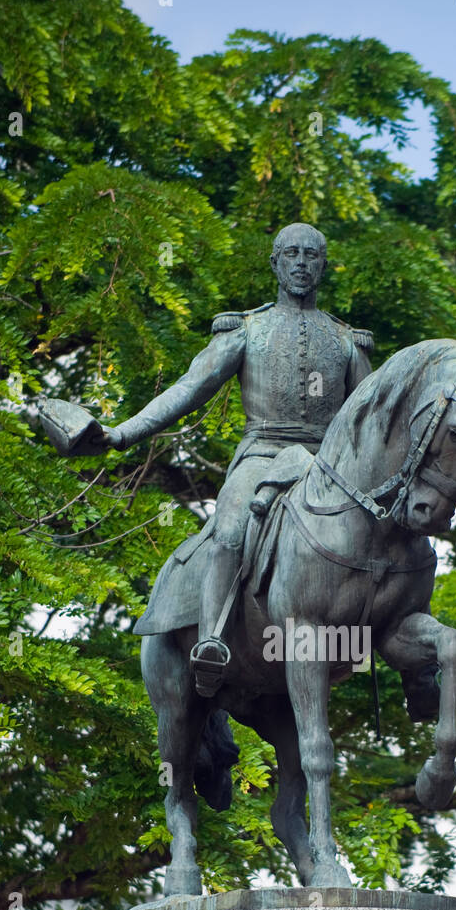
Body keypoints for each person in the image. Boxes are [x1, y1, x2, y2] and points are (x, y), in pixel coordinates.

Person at [101, 223, 373, 694]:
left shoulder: (346, 340)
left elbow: (371, 416)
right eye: (291, 254)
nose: (301, 263)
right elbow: (188, 389)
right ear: (275, 263)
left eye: (311, 255)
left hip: (327, 464)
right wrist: (121, 433)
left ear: (324, 266)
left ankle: (414, 664)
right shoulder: (246, 329)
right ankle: (211, 640)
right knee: (229, 531)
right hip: (262, 455)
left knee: (393, 529)